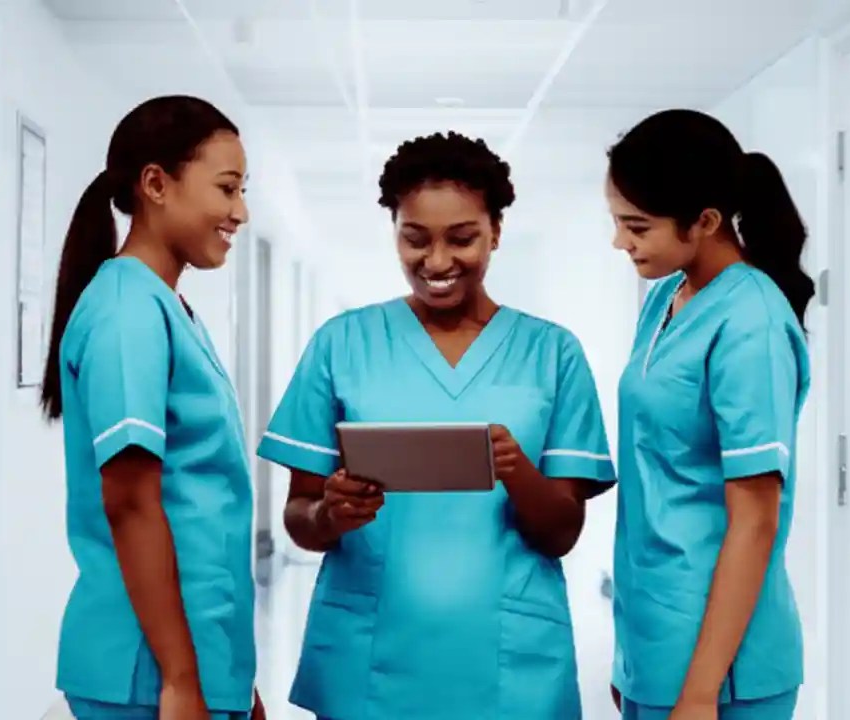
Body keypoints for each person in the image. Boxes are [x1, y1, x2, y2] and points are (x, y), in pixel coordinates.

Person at [256, 131, 617, 720]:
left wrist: (516, 469)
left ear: (496, 232)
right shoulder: (342, 344)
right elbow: (299, 519)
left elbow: (562, 534)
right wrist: (332, 512)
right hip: (371, 664)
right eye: (415, 239)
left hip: (510, 669)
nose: (438, 262)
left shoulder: (553, 354)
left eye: (463, 238)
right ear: (395, 233)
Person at [40, 95, 265, 720]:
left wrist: (231, 682)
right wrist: (181, 682)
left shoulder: (161, 306)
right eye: (226, 189)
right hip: (147, 671)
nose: (239, 212)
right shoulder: (126, 310)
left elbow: (197, 501)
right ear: (156, 184)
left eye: (243, 191)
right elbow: (130, 500)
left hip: (188, 658)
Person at [605, 108, 814, 720]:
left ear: (705, 221)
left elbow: (755, 520)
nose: (620, 241)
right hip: (657, 644)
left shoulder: (751, 321)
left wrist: (697, 692)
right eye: (617, 221)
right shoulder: (668, 297)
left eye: (636, 226)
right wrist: (634, 658)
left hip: (722, 671)